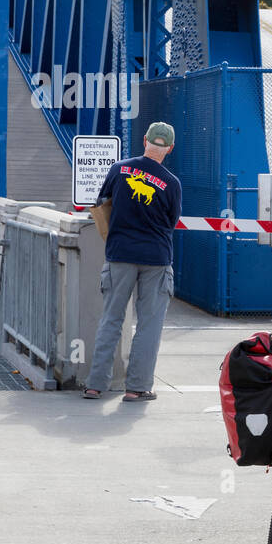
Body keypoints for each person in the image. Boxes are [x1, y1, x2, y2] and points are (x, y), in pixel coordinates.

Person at [83, 122, 183, 402]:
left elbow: (102, 201)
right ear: (170, 149)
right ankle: (137, 388)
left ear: (145, 141)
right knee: (149, 325)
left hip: (119, 255)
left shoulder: (119, 169)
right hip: (156, 258)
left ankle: (95, 385)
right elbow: (172, 221)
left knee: (111, 320)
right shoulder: (171, 183)